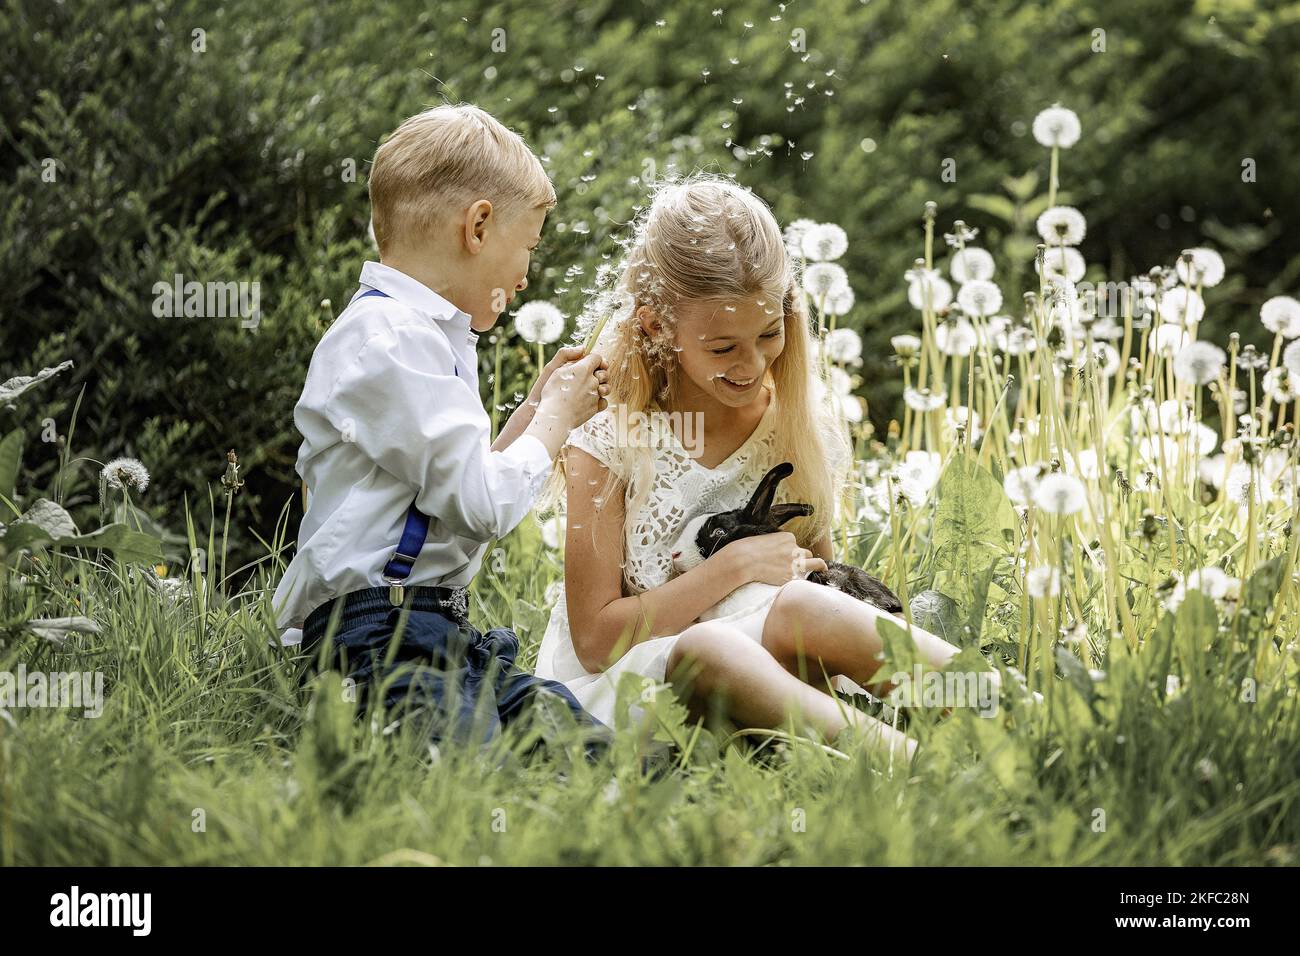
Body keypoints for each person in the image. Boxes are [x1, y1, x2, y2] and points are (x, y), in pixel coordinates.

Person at [535, 174, 972, 762]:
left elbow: (819, 578)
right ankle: (920, 769)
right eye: (722, 348)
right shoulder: (611, 435)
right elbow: (594, 642)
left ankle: (1008, 714)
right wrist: (732, 566)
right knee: (711, 647)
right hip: (636, 688)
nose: (751, 363)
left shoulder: (798, 424)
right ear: (656, 325)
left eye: (769, 334)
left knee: (803, 604)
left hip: (770, 680)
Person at [272, 103, 610, 750]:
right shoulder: (388, 340)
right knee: (469, 767)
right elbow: (483, 505)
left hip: (438, 635)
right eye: (529, 247)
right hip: (376, 641)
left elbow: (458, 494)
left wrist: (538, 416)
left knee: (598, 752)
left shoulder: (416, 335)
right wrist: (559, 420)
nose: (527, 275)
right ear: (478, 226)